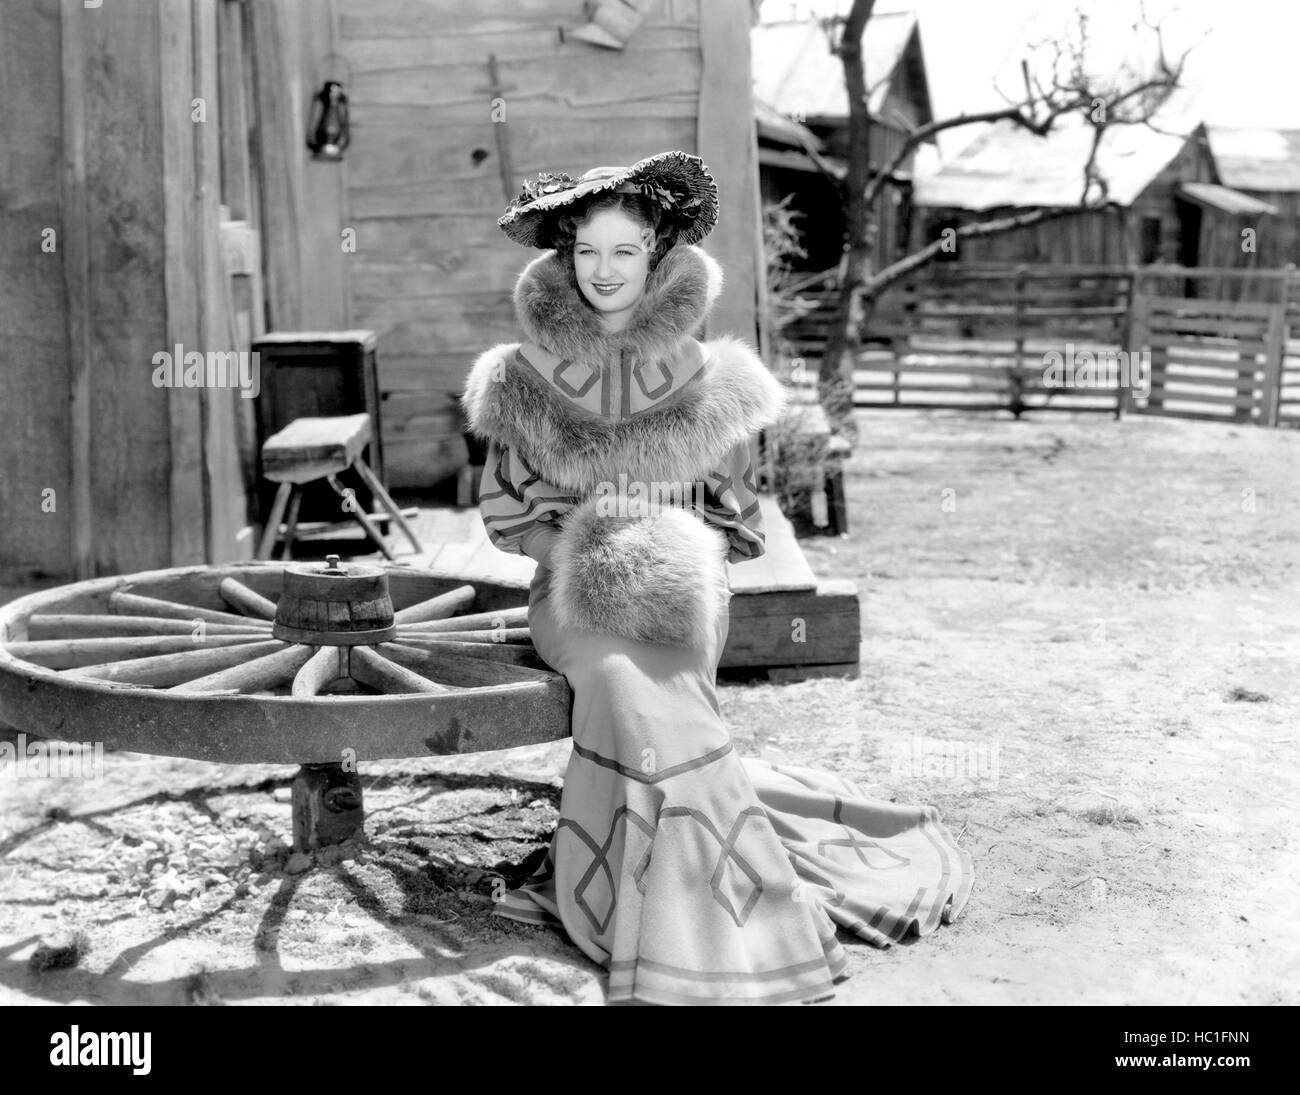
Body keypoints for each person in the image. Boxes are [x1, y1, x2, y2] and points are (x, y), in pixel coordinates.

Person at [461, 151, 972, 1006]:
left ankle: (702, 899)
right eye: (587, 252)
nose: (605, 272)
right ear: (561, 258)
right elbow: (507, 516)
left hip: (684, 590)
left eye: (625, 251)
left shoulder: (714, 379)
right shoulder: (519, 379)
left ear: (658, 254)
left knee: (658, 694)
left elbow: (733, 524)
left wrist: (664, 545)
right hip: (573, 593)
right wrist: (592, 546)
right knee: (621, 686)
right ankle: (651, 906)